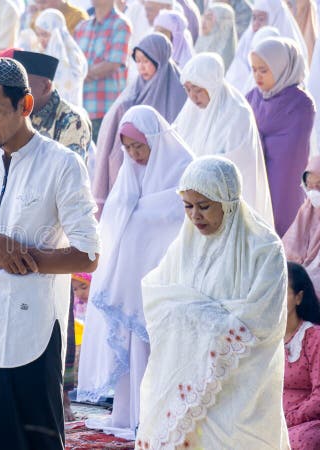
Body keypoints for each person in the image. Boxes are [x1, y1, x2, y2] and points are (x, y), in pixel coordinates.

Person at [0, 58, 100, 450]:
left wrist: (22, 257)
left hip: (34, 333)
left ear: (25, 106)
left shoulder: (62, 164)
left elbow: (88, 253)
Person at [137, 156, 290, 449]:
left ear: (228, 201)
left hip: (243, 389)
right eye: (187, 206)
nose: (195, 216)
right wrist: (198, 311)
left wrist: (192, 310)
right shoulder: (184, 246)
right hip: (190, 375)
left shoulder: (264, 249)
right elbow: (156, 294)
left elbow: (264, 320)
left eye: (204, 206)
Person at [78, 105, 193, 439]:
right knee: (135, 350)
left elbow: (176, 222)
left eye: (138, 146)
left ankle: (159, 419)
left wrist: (141, 220)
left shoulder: (182, 169)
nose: (133, 154)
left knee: (158, 349)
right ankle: (132, 415)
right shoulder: (131, 173)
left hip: (168, 283)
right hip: (133, 282)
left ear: (155, 141)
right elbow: (116, 226)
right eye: (126, 147)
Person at [92, 32, 187, 216]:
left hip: (164, 170)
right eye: (138, 61)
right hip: (133, 163)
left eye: (146, 61)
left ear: (159, 59)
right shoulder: (133, 90)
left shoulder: (177, 89)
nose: (141, 67)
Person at [174, 52, 274, 224]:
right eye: (187, 89)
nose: (192, 96)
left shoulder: (237, 113)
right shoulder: (191, 112)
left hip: (227, 203)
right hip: (195, 203)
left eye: (198, 89)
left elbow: (237, 165)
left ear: (212, 85)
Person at [247, 37, 315, 236]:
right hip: (255, 174)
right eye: (254, 69)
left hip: (283, 181)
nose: (257, 76)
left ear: (282, 68)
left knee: (280, 227)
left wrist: (257, 140)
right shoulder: (253, 96)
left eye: (264, 70)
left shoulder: (300, 104)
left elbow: (290, 153)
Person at [2, 49, 92, 160]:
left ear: (46, 87)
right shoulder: (15, 113)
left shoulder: (72, 121)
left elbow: (69, 171)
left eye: (21, 87)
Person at [73, 0, 131, 143]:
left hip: (106, 111)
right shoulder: (82, 27)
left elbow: (113, 64)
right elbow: (73, 64)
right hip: (82, 110)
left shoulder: (121, 24)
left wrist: (81, 74)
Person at [226, 0, 307, 90]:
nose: (256, 23)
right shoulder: (246, 42)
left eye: (261, 19)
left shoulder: (287, 51)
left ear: (274, 18)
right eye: (254, 18)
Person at [283, 262, 320, 450]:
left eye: (283, 291)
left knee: (302, 442)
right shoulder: (266, 340)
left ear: (299, 297)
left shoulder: (314, 337)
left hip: (307, 422)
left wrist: (289, 418)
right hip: (272, 421)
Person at [33, 9, 88, 107]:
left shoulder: (73, 56)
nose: (40, 39)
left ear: (56, 32)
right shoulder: (41, 52)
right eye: (38, 34)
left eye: (45, 34)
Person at [283, 157, 320, 291]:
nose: (314, 191)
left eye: (319, 185)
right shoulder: (307, 209)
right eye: (309, 185)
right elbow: (289, 247)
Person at [194, 3, 236, 70]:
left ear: (221, 23)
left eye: (209, 18)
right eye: (204, 17)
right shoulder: (200, 42)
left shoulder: (227, 57)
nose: (203, 21)